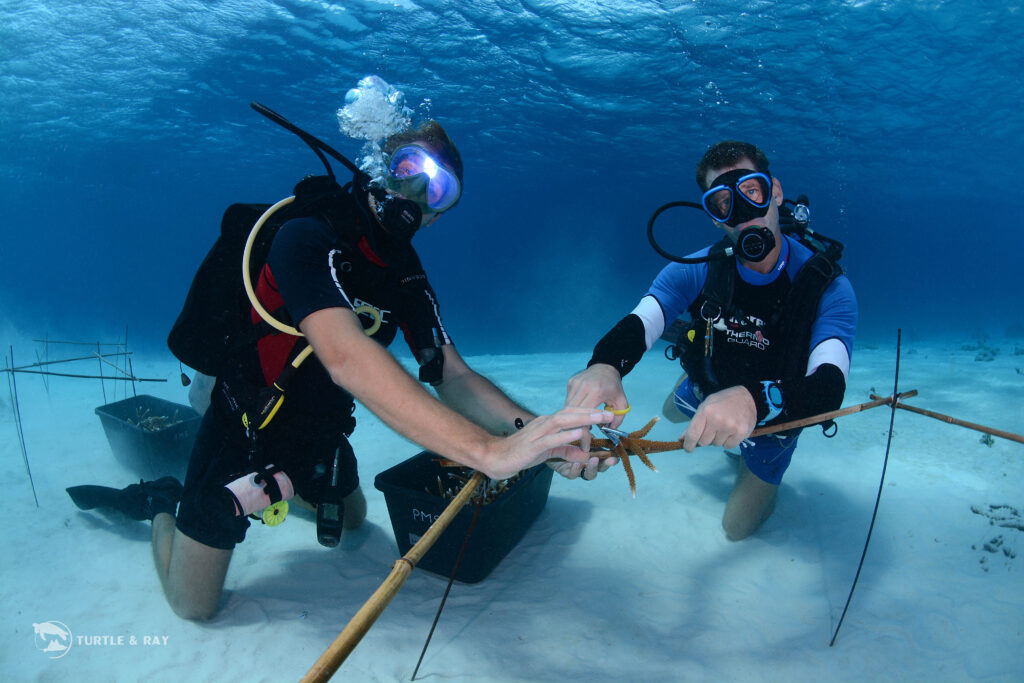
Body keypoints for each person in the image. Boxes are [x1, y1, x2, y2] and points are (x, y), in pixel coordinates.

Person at [68, 118, 614, 620]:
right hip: (244, 429)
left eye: (439, 188)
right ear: (380, 168)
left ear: (444, 212)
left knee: (352, 527)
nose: (418, 195)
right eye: (408, 171)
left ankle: (279, 490)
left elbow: (453, 374)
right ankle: (167, 500)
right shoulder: (307, 233)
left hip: (321, 432)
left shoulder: (404, 273)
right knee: (193, 607)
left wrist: (542, 435)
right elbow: (345, 355)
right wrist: (490, 453)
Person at [564, 140, 857, 540]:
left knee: (735, 529)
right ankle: (695, 391)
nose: (743, 214)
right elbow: (642, 320)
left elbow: (828, 387)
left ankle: (759, 470)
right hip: (710, 388)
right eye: (724, 203)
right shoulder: (694, 270)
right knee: (669, 412)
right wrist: (605, 364)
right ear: (714, 217)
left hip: (775, 418)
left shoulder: (830, 288)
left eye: (751, 192)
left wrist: (753, 400)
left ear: (774, 191)